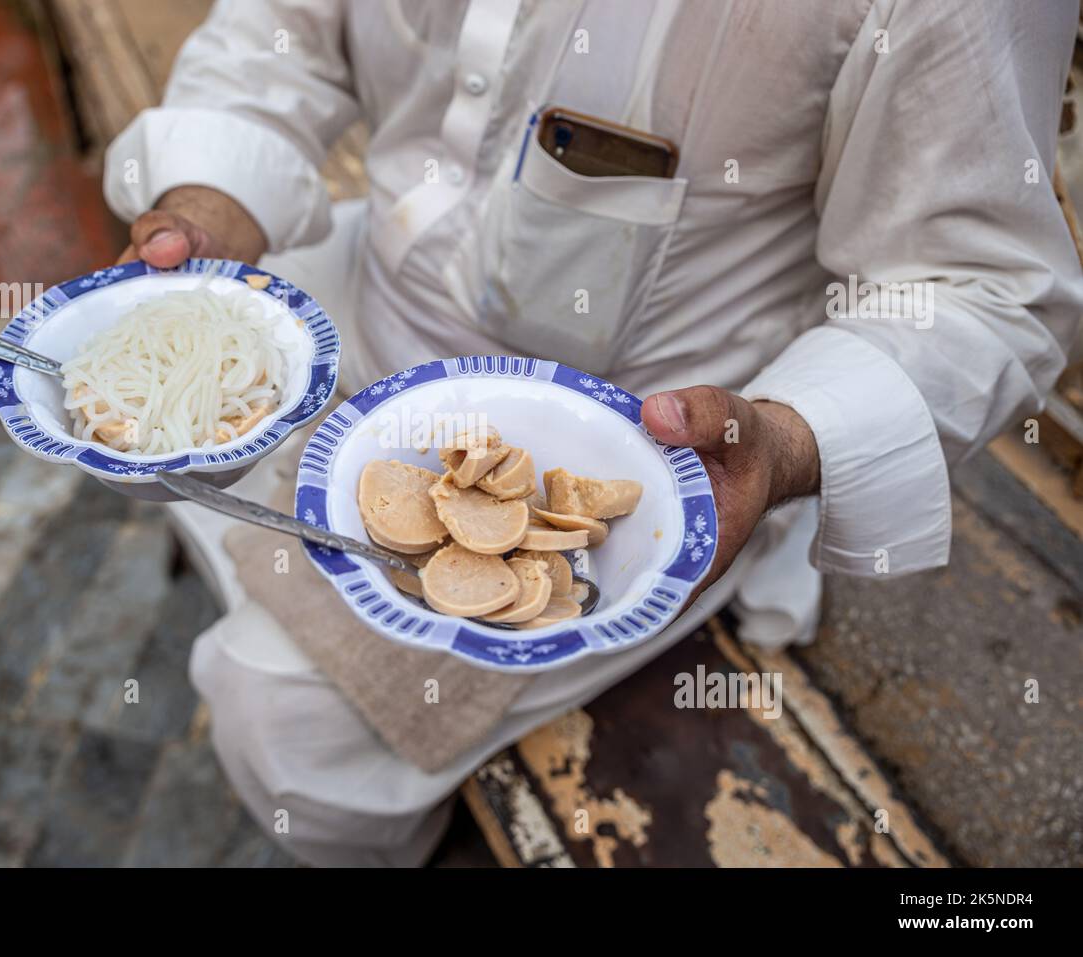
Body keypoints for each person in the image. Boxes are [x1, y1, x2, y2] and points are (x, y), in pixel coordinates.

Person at [102, 0, 1083, 866]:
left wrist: (782, 442)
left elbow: (973, 290)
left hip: (641, 449)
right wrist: (209, 198)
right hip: (371, 282)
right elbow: (284, 37)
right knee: (153, 403)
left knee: (280, 725)